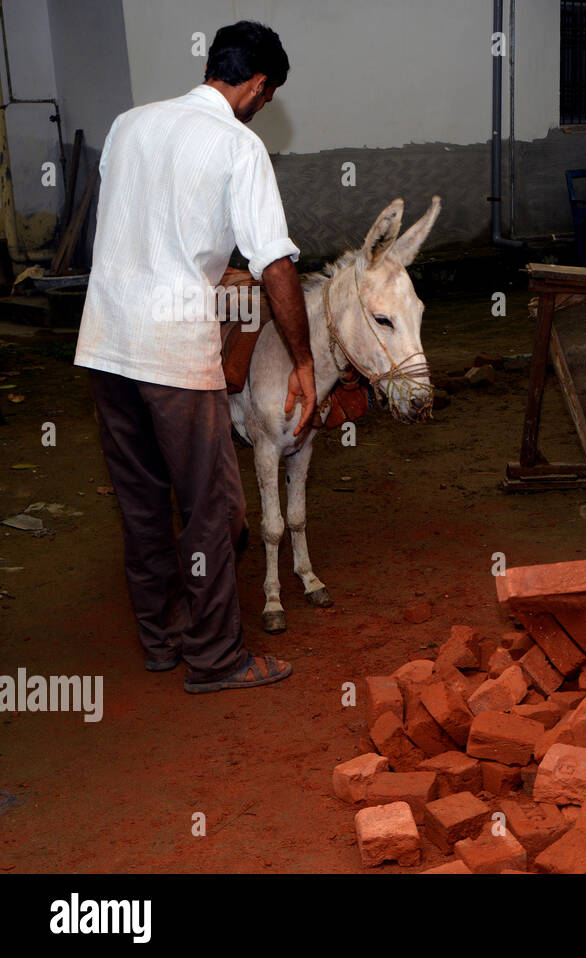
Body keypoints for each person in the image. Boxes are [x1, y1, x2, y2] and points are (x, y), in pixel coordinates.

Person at [74, 20, 315, 693]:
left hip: (104, 340)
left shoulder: (128, 125)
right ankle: (215, 657)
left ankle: (163, 639)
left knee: (143, 503)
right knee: (215, 510)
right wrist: (302, 358)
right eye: (267, 99)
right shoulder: (239, 146)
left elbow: (136, 223)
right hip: (172, 354)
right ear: (258, 86)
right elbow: (273, 262)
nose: (263, 111)